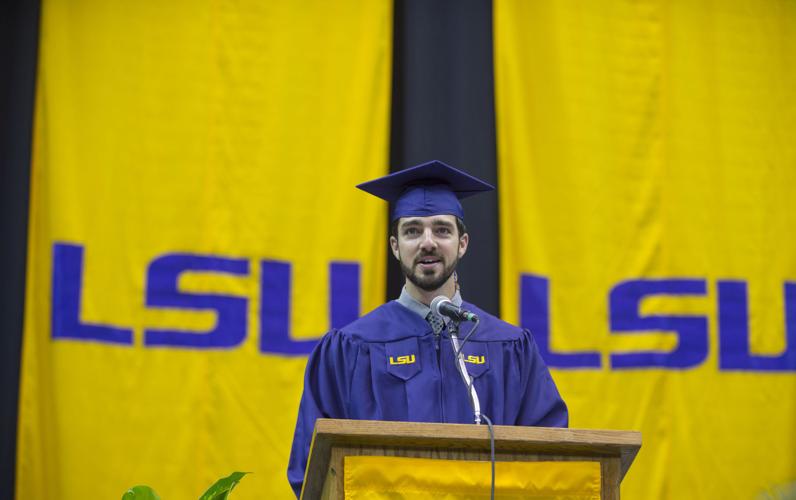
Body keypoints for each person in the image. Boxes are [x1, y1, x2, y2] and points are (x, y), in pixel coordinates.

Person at [287, 160, 568, 497]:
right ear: (395, 246)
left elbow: (551, 458)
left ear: (462, 243)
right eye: (412, 230)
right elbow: (312, 469)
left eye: (442, 230)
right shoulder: (350, 347)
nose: (428, 242)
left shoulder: (509, 346)